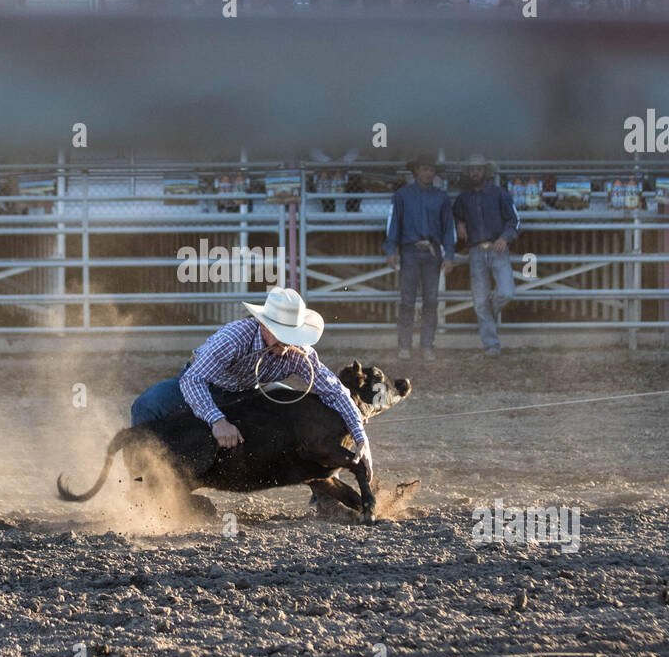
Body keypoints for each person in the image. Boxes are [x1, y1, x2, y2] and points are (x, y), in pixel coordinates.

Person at [129, 286, 375, 494]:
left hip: (249, 391)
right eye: (282, 335)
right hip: (208, 385)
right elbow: (193, 380)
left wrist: (360, 437)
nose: (288, 344)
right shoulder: (235, 338)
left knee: (299, 415)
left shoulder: (299, 353)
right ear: (264, 326)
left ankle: (325, 494)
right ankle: (141, 483)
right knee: (147, 405)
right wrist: (217, 420)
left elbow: (334, 391)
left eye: (292, 336)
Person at [384, 156, 452, 361]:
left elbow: (448, 228)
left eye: (431, 170)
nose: (428, 173)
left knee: (431, 300)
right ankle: (404, 345)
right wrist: (391, 249)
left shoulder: (441, 197)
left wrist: (449, 254)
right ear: (416, 171)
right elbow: (394, 223)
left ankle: (427, 345)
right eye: (424, 169)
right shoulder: (402, 195)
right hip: (410, 251)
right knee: (407, 300)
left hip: (432, 252)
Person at [453, 155, 519, 357]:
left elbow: (514, 221)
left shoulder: (500, 194)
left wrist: (504, 238)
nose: (475, 172)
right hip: (475, 250)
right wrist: (459, 223)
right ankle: (492, 345)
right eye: (472, 169)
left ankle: (488, 310)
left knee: (506, 292)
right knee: (479, 298)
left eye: (479, 169)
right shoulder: (463, 198)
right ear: (468, 172)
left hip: (497, 248)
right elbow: (455, 215)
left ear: (485, 172)